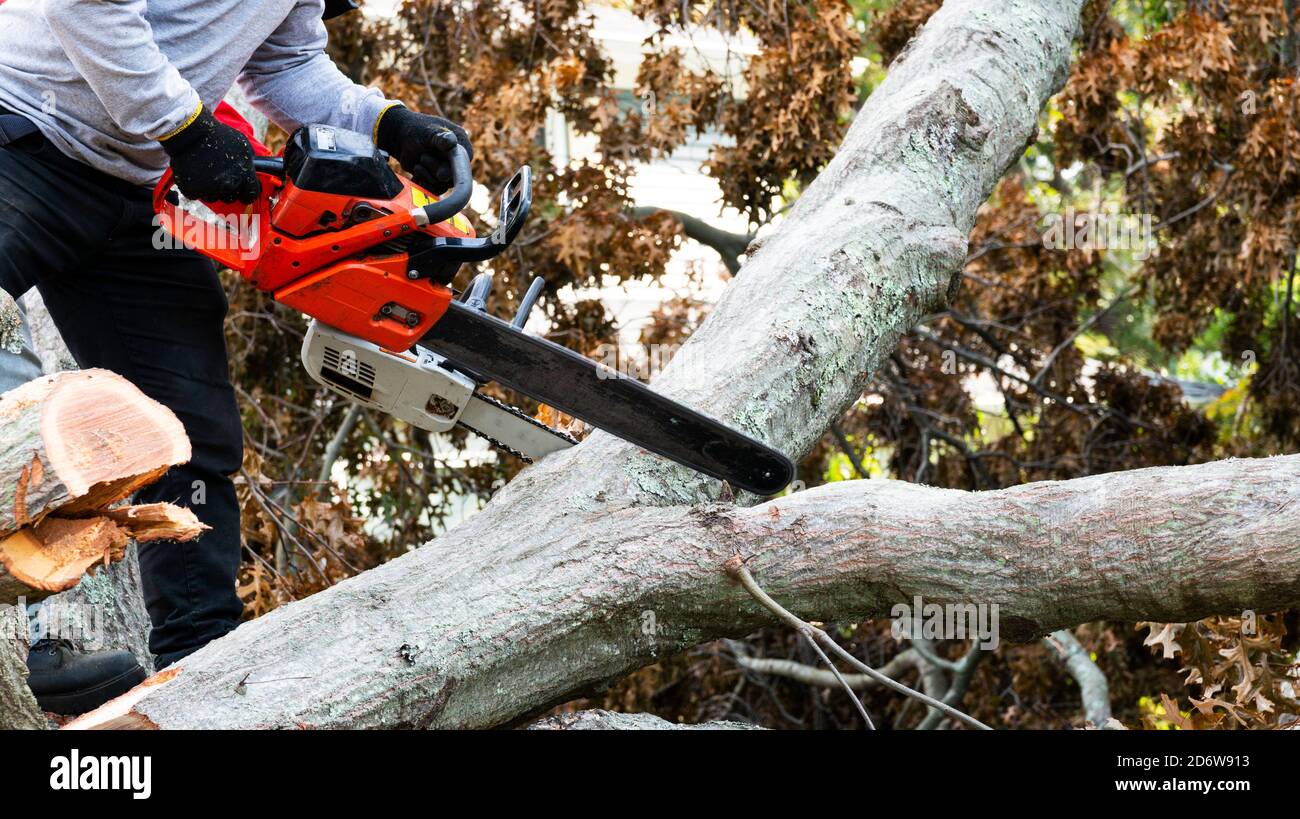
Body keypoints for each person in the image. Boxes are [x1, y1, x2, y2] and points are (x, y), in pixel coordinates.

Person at [0, 0, 472, 714]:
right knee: (10, 383)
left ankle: (204, 670)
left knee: (183, 430)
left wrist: (388, 123)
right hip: (22, 130)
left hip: (138, 189)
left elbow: (286, 64)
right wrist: (186, 128)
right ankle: (16, 638)